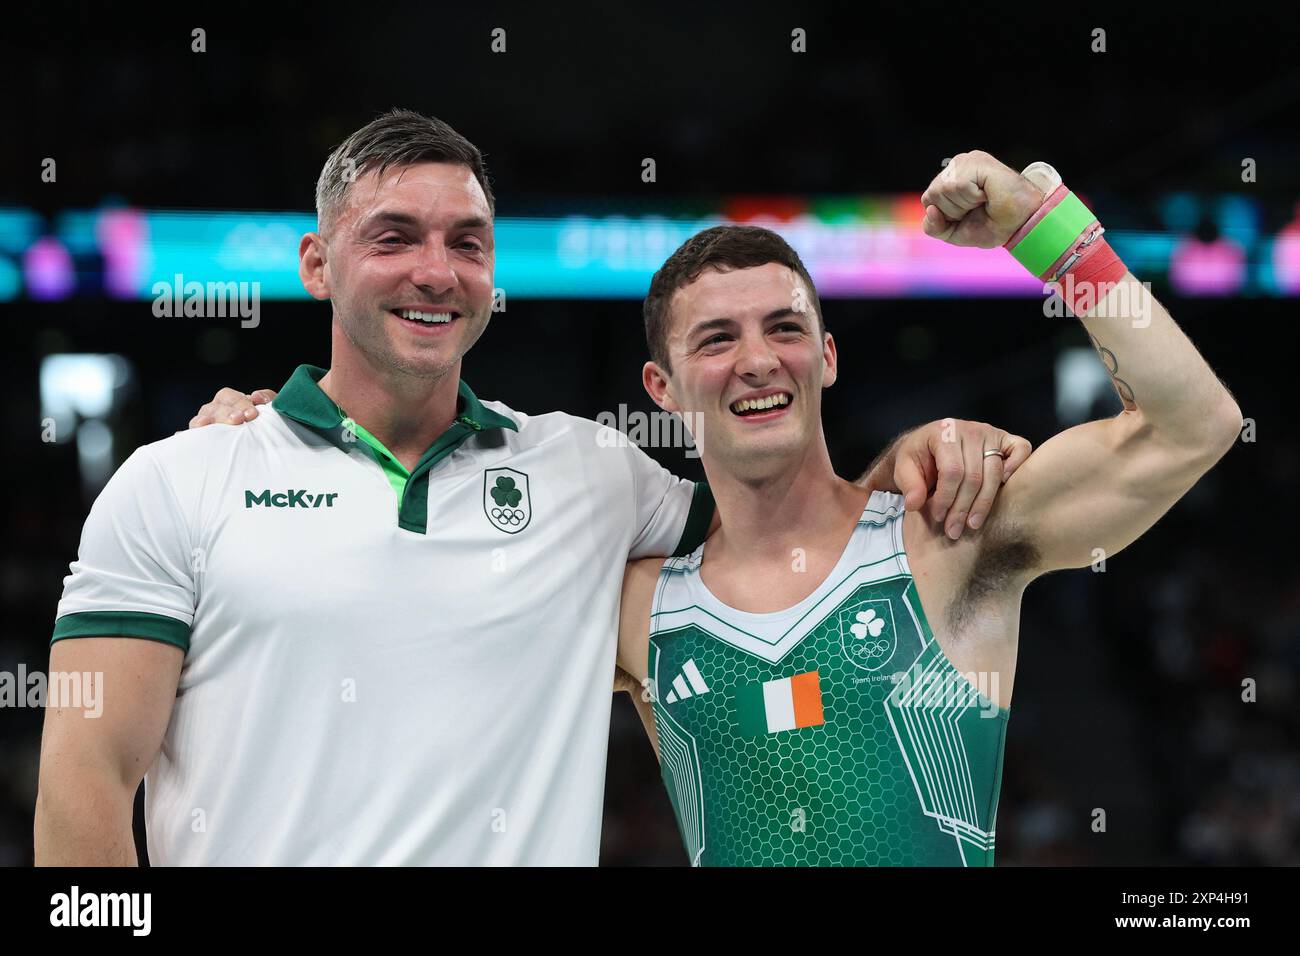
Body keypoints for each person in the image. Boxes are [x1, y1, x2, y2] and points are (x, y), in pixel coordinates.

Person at [36, 110, 1022, 866]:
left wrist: (907, 460)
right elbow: (85, 789)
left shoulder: (593, 474)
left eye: (466, 242)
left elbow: (781, 538)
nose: (437, 270)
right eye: (394, 237)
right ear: (315, 263)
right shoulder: (179, 481)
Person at [611, 153, 1241, 866]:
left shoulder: (949, 534)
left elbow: (1192, 426)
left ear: (827, 355)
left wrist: (1049, 233)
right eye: (718, 338)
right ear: (661, 387)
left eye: (784, 329)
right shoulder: (636, 611)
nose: (758, 361)